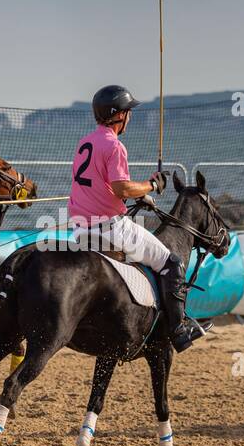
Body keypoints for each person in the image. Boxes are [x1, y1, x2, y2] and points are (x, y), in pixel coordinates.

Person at [66, 84, 205, 352]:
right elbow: (122, 188)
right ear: (118, 115)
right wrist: (151, 186)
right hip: (110, 228)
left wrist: (135, 195)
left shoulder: (85, 142)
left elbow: (101, 186)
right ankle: (178, 330)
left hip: (81, 230)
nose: (131, 116)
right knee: (172, 263)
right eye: (129, 111)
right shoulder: (114, 145)